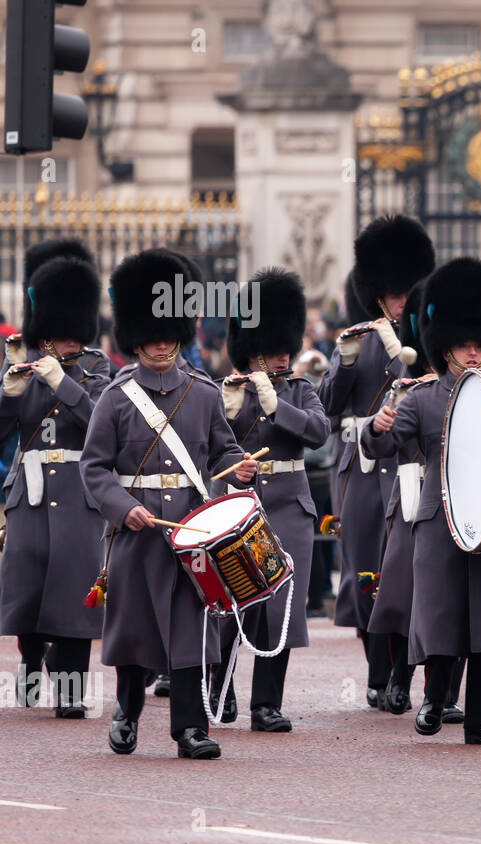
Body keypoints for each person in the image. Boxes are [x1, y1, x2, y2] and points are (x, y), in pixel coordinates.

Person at [80, 249, 259, 758]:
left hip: (190, 529)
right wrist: (121, 507)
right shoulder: (116, 398)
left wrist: (240, 464)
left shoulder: (202, 393)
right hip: (138, 532)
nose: (160, 345)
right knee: (134, 631)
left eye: (168, 336)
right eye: (151, 337)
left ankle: (190, 728)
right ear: (136, 338)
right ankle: (127, 712)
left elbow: (223, 448)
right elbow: (93, 467)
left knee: (189, 629)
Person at [365, 258, 481, 744]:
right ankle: (434, 699)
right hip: (440, 518)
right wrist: (378, 427)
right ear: (445, 348)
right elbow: (385, 449)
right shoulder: (422, 397)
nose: (473, 354)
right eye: (463, 346)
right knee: (440, 614)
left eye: (479, 345)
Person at [318, 215, 434, 709]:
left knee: (411, 572)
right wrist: (342, 362)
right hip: (364, 469)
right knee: (366, 572)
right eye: (393, 292)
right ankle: (377, 669)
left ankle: (405, 674)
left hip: (412, 466)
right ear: (377, 294)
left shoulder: (430, 336)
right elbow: (326, 408)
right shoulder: (359, 340)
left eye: (407, 291)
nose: (401, 300)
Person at [209, 268, 330, 732]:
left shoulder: (299, 390)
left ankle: (267, 704)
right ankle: (221, 687)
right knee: (233, 603)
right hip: (240, 505)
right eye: (269, 352)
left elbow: (319, 433)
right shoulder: (228, 391)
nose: (279, 359)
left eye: (284, 350)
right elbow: (209, 448)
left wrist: (279, 406)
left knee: (282, 605)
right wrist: (234, 410)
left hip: (288, 506)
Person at [1, 238, 112, 716]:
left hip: (78, 492)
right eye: (62, 333)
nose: (71, 340)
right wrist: (8, 392)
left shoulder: (95, 366)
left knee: (75, 592)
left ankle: (70, 693)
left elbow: (102, 423)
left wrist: (62, 382)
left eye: (75, 332)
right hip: (29, 492)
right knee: (28, 586)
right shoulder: (20, 364)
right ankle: (30, 662)